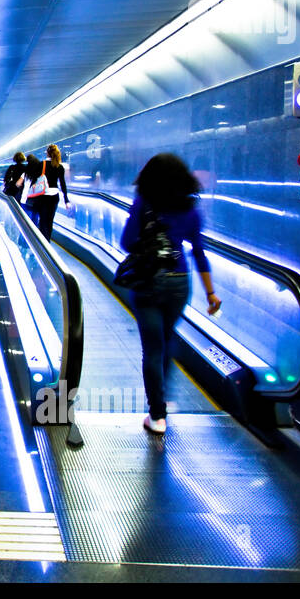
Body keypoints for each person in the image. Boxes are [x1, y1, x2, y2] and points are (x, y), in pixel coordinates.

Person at [120, 153, 222, 435]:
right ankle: (164, 397)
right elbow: (199, 253)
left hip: (149, 282)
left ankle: (157, 416)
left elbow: (127, 242)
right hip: (180, 282)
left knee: (152, 348)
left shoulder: (144, 203)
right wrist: (211, 294)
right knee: (166, 339)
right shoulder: (190, 208)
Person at [34, 144, 70, 242]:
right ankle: (47, 241)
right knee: (50, 221)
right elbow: (63, 184)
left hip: (43, 196)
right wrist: (66, 200)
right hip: (54, 197)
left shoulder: (42, 164)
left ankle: (42, 243)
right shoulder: (59, 167)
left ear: (48, 153)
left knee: (42, 220)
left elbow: (35, 180)